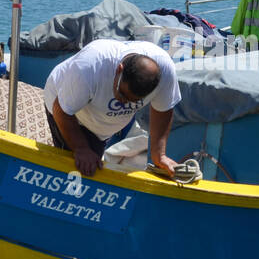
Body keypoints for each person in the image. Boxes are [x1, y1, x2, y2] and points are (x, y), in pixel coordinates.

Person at [43, 39, 181, 177]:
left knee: (93, 166)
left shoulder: (165, 72)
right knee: (77, 169)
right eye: (122, 94)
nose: (123, 103)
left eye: (133, 101)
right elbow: (61, 110)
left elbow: (164, 108)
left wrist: (159, 154)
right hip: (67, 110)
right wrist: (81, 149)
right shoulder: (90, 66)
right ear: (119, 70)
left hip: (101, 126)